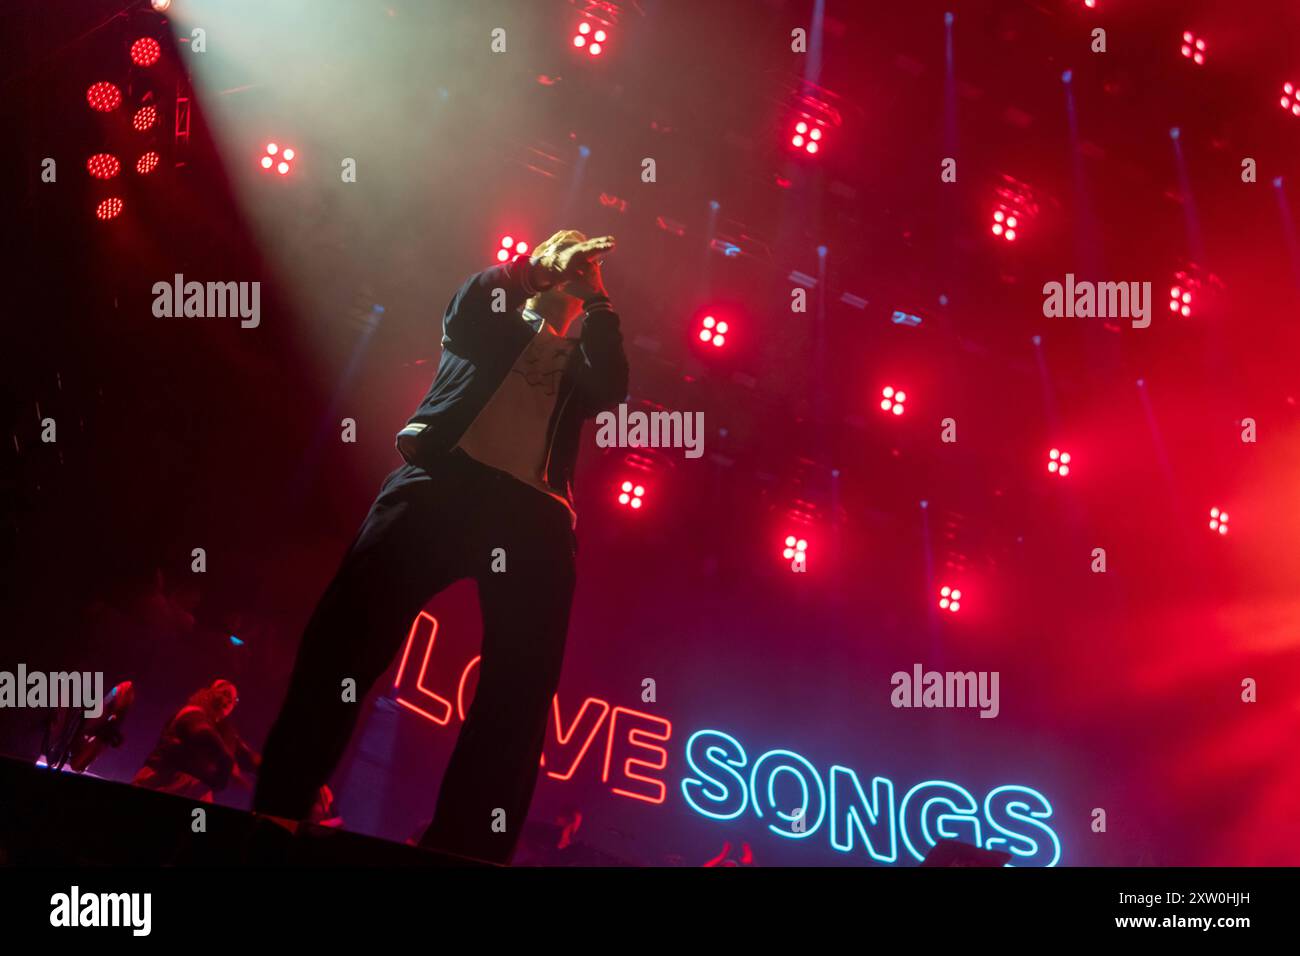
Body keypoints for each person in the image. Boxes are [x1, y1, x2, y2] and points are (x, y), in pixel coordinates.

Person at [254, 230, 628, 864]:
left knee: (520, 688)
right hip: (442, 480)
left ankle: (468, 847)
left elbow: (613, 386)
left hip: (535, 512)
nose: (568, 283)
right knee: (345, 638)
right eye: (561, 276)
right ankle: (279, 809)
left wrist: (599, 301)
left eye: (574, 281)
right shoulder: (491, 324)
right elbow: (468, 306)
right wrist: (535, 269)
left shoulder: (579, 364)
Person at [133, 679, 261, 802]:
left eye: (234, 700)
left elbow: (248, 757)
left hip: (196, 793)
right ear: (210, 693)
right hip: (162, 782)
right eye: (225, 693)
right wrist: (227, 762)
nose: (229, 701)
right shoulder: (191, 712)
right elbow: (202, 733)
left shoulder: (226, 734)